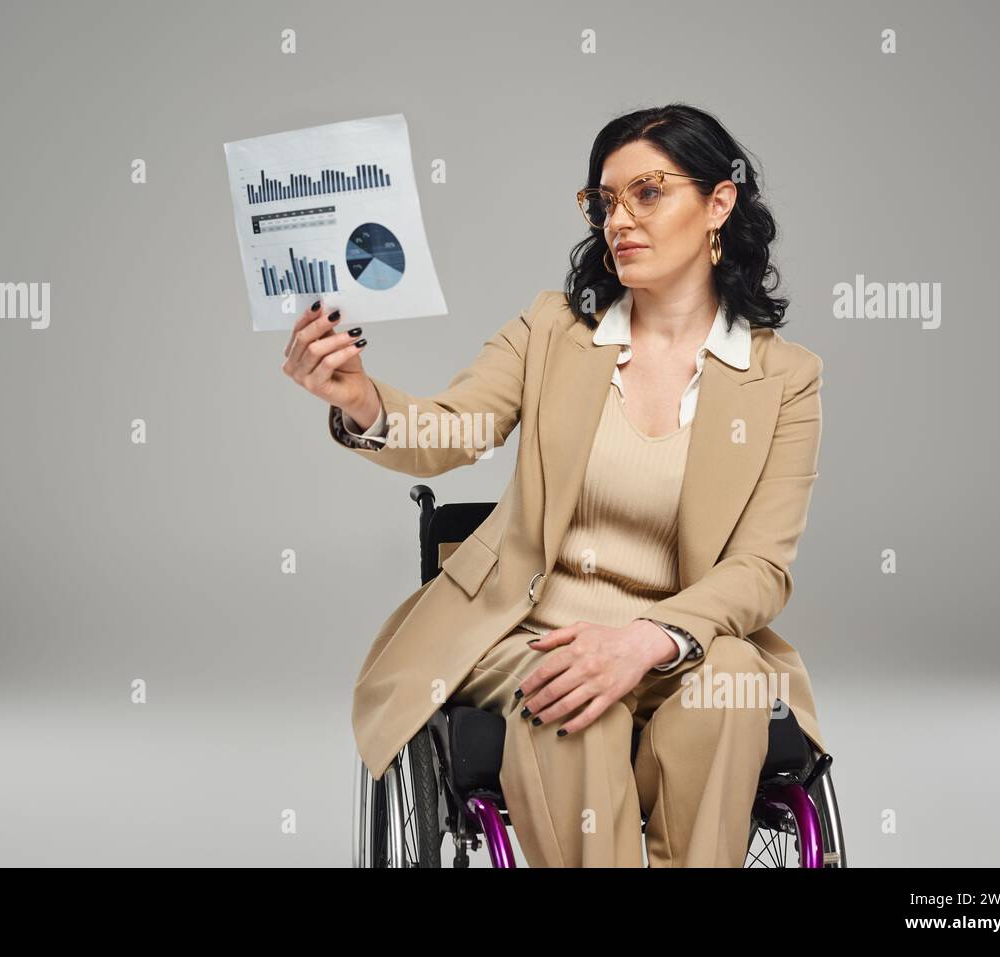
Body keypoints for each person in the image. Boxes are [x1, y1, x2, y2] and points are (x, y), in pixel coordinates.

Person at [282, 103, 826, 867]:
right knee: (573, 692)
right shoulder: (552, 332)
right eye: (604, 201)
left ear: (719, 202)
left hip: (680, 641)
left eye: (647, 192)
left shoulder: (784, 379)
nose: (618, 219)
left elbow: (760, 567)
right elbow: (454, 429)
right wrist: (362, 402)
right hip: (530, 630)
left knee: (734, 674)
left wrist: (644, 640)